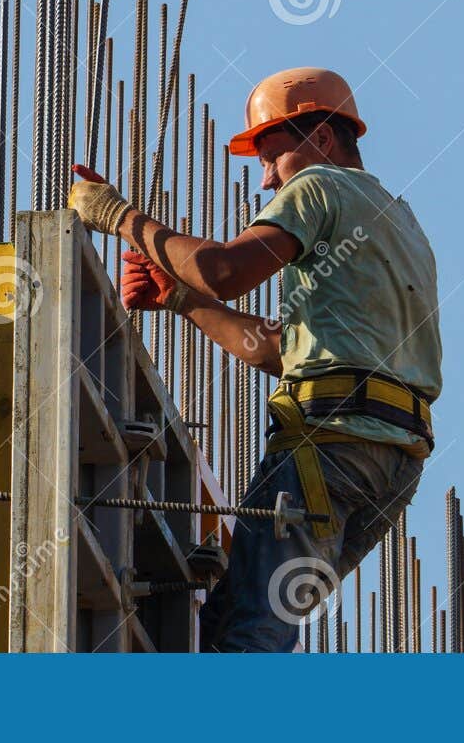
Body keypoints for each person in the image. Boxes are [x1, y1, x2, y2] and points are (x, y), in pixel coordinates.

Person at [68, 66, 443, 651]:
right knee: (233, 621)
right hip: (391, 462)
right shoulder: (403, 222)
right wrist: (179, 298)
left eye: (273, 156)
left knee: (252, 637)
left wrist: (118, 216)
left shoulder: (321, 187)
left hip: (328, 445)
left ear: (320, 139)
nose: (267, 180)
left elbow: (225, 270)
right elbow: (281, 351)